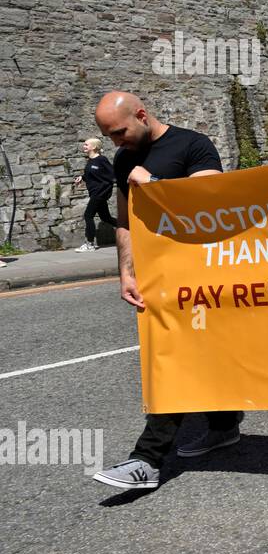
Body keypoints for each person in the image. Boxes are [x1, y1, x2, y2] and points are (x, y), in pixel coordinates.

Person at [90, 93, 236, 491]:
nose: (116, 143)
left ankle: (147, 460)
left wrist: (152, 183)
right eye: (108, 137)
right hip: (160, 279)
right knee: (192, 355)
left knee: (176, 361)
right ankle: (224, 424)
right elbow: (124, 220)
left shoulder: (194, 145)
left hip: (200, 276)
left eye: (119, 132)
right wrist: (126, 273)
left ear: (141, 114)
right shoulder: (123, 159)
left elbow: (210, 205)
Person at [73, 138, 116, 252]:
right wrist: (82, 178)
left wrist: (106, 188)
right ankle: (130, 229)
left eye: (86, 144)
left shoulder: (102, 160)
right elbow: (92, 174)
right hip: (95, 193)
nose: (84, 146)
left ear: (94, 147)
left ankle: (90, 244)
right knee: (105, 217)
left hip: (100, 193)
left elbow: (112, 175)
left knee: (88, 215)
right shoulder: (90, 161)